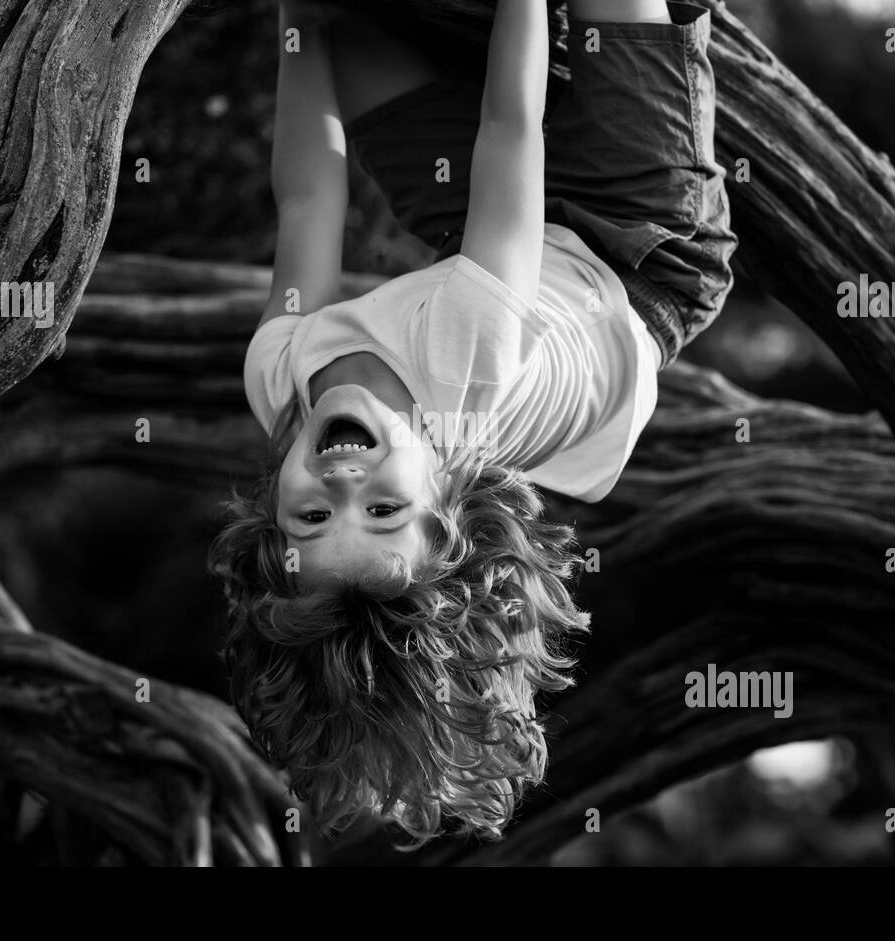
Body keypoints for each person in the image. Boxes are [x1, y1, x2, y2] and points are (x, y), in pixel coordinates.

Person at [210, 0, 736, 846]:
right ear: (445, 500)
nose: (343, 486)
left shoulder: (278, 380)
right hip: (641, 245)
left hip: (487, 236)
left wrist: (292, 24)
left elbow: (308, 200)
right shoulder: (467, 359)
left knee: (351, 37)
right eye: (382, 513)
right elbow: (509, 126)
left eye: (312, 518)